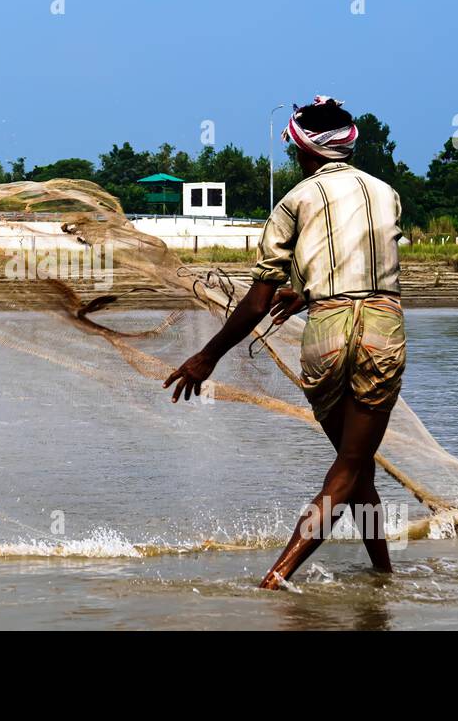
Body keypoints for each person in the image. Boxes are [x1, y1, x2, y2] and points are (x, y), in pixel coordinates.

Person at [164, 96, 405, 590]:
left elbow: (255, 304)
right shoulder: (387, 193)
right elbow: (361, 265)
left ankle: (319, 577)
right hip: (381, 328)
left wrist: (206, 357)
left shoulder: (293, 201)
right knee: (352, 466)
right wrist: (310, 289)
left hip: (327, 333)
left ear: (304, 150)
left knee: (352, 468)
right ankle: (293, 577)